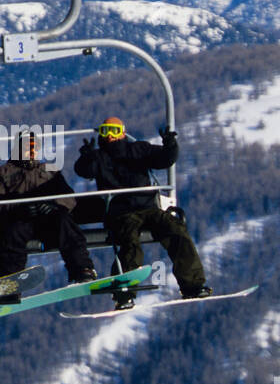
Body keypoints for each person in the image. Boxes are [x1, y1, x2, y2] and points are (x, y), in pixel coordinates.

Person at [74, 116, 211, 309]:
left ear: (122, 132)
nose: (110, 136)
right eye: (105, 131)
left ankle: (193, 285)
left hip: (149, 208)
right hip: (121, 213)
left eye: (114, 131)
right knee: (130, 244)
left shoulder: (138, 149)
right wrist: (86, 156)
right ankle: (123, 293)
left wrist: (170, 143)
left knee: (176, 231)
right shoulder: (99, 157)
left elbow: (165, 159)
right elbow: (84, 171)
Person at [0, 130, 98, 283]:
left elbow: (69, 197)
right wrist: (18, 208)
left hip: (48, 220)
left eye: (34, 146)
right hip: (19, 220)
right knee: (12, 235)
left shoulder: (50, 170)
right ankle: (10, 283)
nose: (30, 150)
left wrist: (54, 205)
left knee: (65, 223)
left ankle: (82, 269)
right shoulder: (2, 173)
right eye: (26, 146)